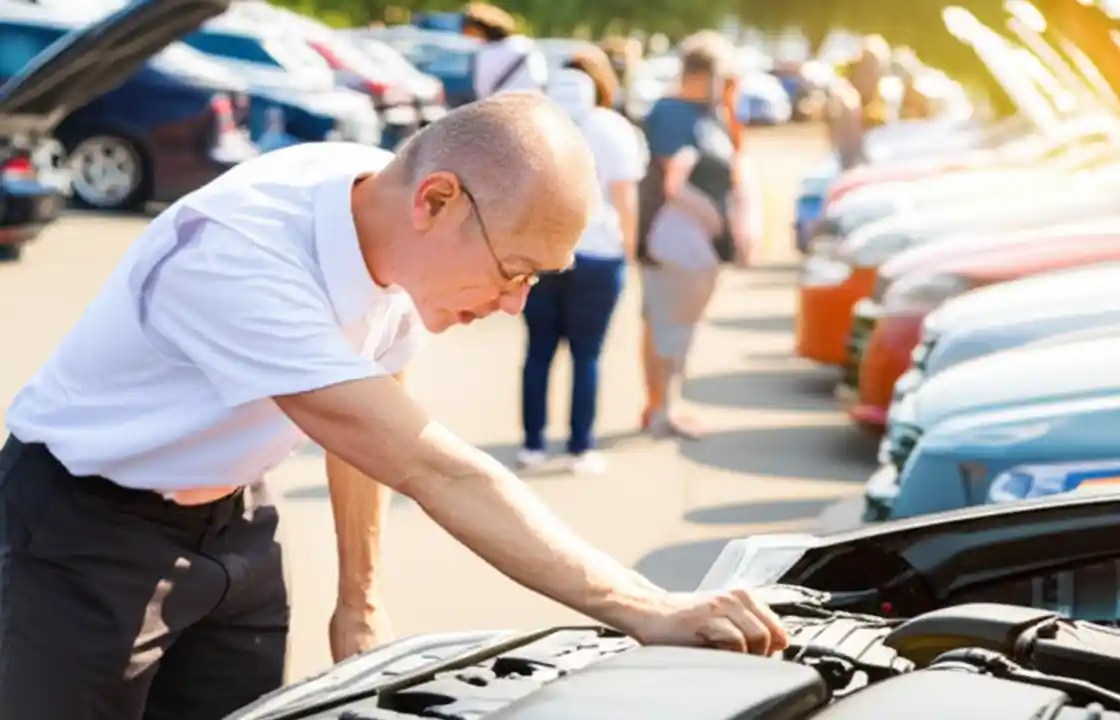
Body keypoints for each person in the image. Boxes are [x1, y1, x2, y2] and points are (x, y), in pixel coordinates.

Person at [0, 93, 788, 720]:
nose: (516, 304)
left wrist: (359, 603)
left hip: (235, 525)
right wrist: (647, 606)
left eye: (538, 280)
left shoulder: (396, 209)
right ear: (436, 200)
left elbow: (371, 417)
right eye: (514, 270)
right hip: (80, 538)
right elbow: (430, 467)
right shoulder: (236, 257)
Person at [519, 54, 647, 474]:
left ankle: (533, 444)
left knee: (538, 352)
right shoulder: (613, 129)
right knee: (586, 354)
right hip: (599, 253)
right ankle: (581, 447)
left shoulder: (534, 127)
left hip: (541, 253)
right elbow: (625, 197)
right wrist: (629, 252)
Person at [636, 32, 748, 440]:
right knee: (664, 322)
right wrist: (713, 218)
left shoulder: (714, 112)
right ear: (701, 73)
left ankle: (670, 403)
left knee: (681, 326)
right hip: (674, 237)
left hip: (703, 244)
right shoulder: (670, 112)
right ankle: (659, 407)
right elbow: (673, 179)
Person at [462, 1, 548, 99]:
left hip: (501, 104)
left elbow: (482, 89)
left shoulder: (485, 54)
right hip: (531, 103)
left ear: (480, 30)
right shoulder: (527, 46)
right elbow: (540, 79)